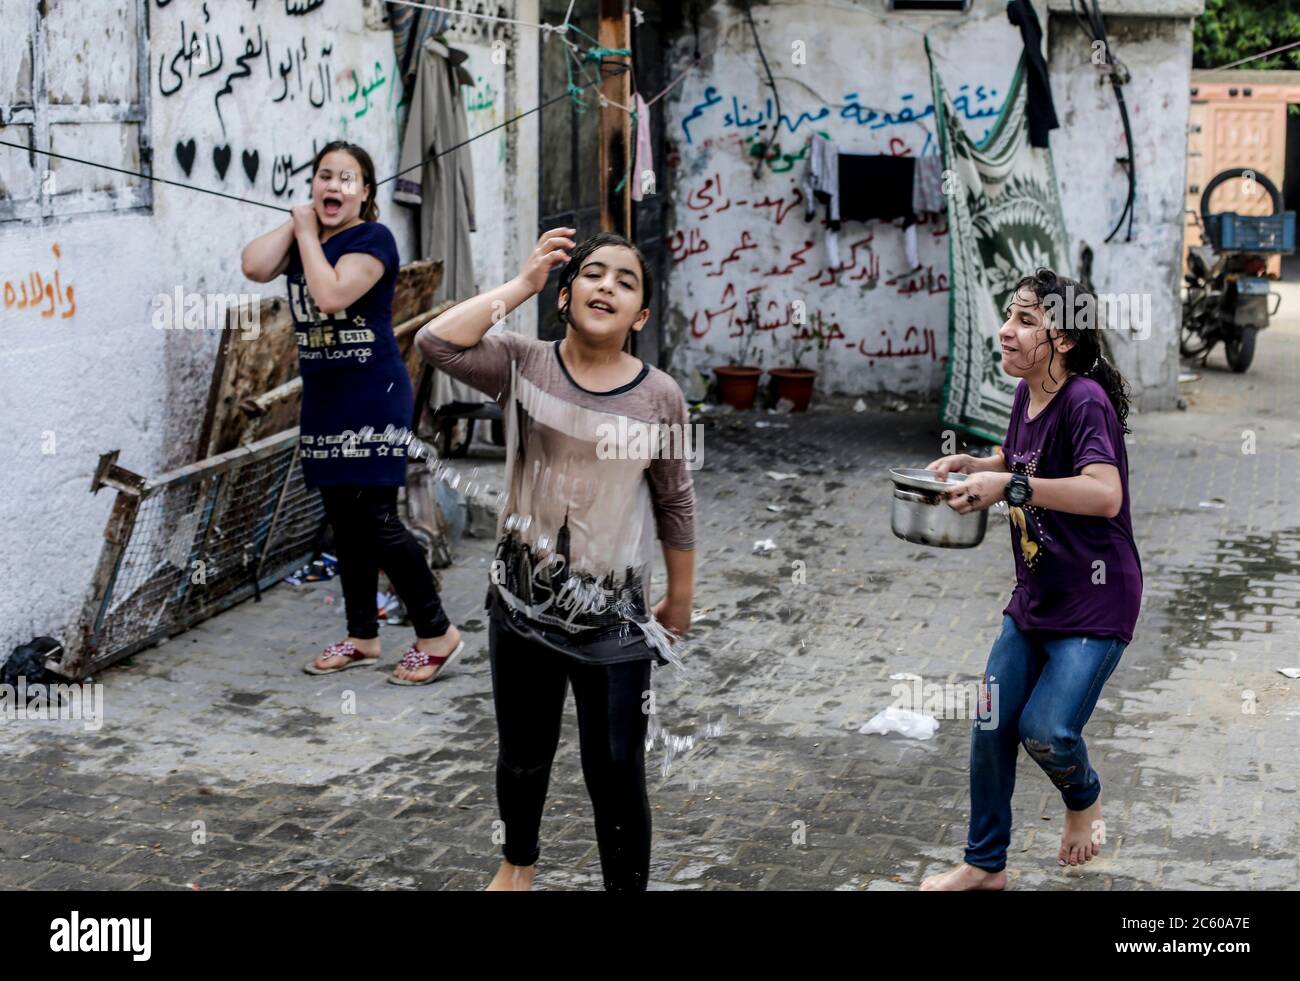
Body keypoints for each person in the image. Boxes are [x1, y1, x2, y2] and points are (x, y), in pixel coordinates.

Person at [417, 229, 697, 891]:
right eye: (593, 275)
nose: (607, 287)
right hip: (519, 604)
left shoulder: (661, 396)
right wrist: (520, 286)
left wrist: (681, 599)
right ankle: (517, 863)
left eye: (625, 282)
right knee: (522, 755)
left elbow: (676, 501)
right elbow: (434, 342)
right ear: (566, 295)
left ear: (641, 316)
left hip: (615, 617)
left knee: (618, 765)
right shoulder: (522, 362)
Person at [921, 268, 1142, 890]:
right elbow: (1020, 458)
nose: (1006, 332)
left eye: (1025, 320)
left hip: (1097, 603)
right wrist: (980, 462)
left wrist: (1009, 486)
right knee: (991, 722)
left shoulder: (1084, 400)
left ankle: (1084, 799)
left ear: (1063, 338)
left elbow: (1103, 493)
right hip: (1036, 599)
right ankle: (985, 866)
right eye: (1008, 317)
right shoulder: (1029, 394)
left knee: (1045, 730)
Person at [241, 140, 463, 685]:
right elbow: (253, 267)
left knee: (378, 520)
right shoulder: (307, 237)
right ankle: (363, 637)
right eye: (323, 176)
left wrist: (309, 236)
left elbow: (333, 294)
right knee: (345, 522)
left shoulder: (373, 238)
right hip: (326, 397)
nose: (332, 186)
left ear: (366, 194)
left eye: (347, 179)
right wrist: (297, 224)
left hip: (372, 392)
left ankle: (437, 633)